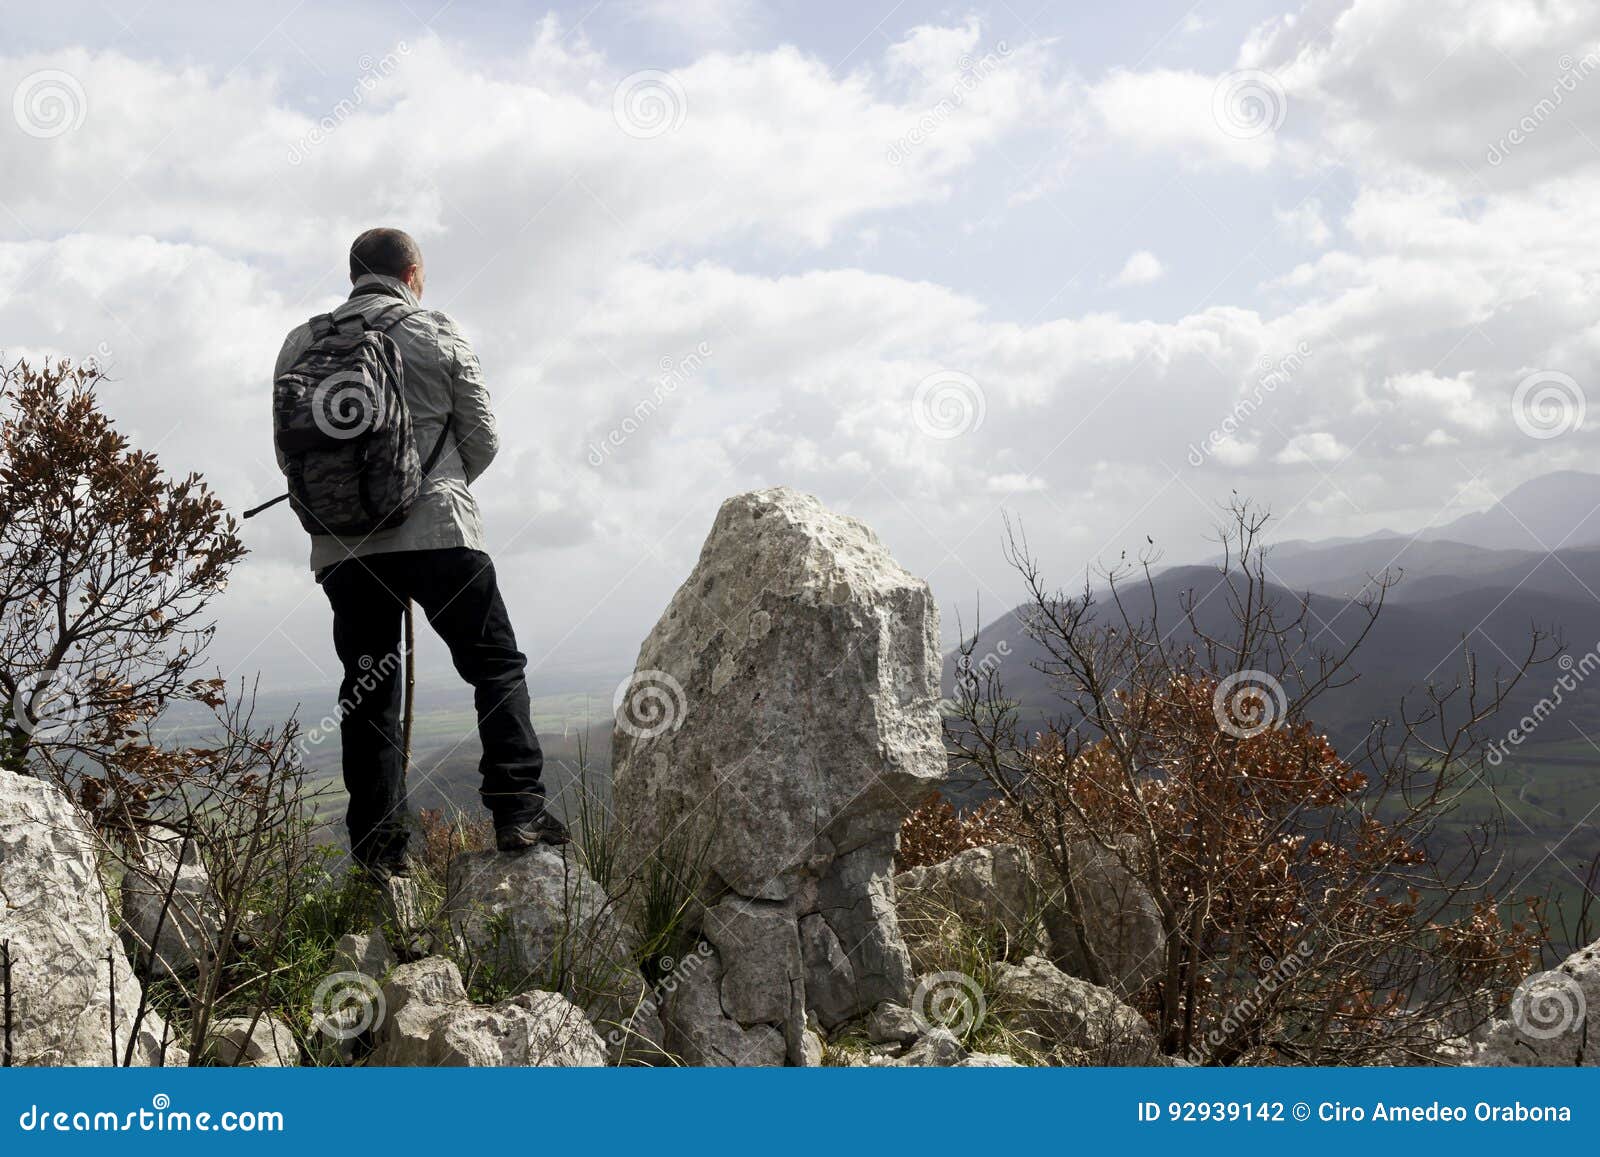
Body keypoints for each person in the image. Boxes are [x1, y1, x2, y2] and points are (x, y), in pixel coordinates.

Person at [273, 227, 567, 880]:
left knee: (368, 691)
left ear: (353, 275)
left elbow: (289, 449)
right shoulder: (434, 331)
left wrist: (356, 507)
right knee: (495, 664)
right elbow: (483, 437)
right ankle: (518, 811)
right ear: (413, 273)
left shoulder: (302, 343)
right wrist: (423, 492)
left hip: (344, 547)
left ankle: (380, 857)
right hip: (438, 531)